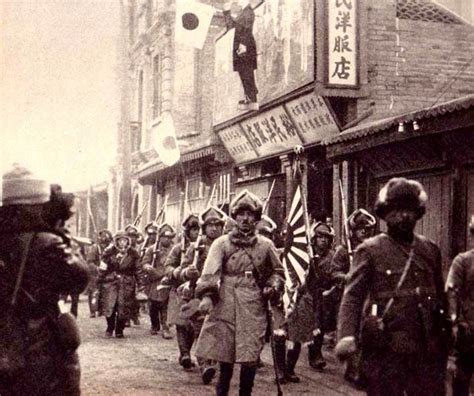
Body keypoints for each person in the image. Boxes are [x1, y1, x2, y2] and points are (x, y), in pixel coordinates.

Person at [335, 177, 450, 395]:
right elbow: (352, 297)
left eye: (409, 209)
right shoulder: (370, 250)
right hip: (386, 349)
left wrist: (447, 328)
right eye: (396, 210)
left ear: (418, 212)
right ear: (385, 213)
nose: (404, 215)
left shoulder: (429, 250)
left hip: (426, 348)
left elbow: (439, 294)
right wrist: (347, 336)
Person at [0, 164, 89, 395]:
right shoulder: (47, 242)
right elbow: (79, 278)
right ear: (39, 203)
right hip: (37, 344)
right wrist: (62, 234)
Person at [194, 190, 285, 396]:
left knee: (250, 356)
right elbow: (211, 272)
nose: (245, 218)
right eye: (241, 214)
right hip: (226, 303)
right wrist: (208, 296)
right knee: (225, 357)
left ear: (256, 218)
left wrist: (273, 285)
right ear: (234, 217)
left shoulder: (266, 245)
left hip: (253, 305)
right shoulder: (221, 243)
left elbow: (278, 272)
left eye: (250, 214)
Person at [178, 206, 226, 384]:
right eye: (210, 225)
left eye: (218, 225)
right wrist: (187, 272)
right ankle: (205, 364)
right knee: (201, 329)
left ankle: (216, 362)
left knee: (218, 331)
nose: (214, 228)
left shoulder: (227, 246)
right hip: (198, 293)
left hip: (221, 295)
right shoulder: (195, 248)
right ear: (204, 227)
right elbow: (182, 268)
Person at [331, 208, 376, 386]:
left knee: (368, 332)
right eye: (360, 229)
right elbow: (334, 272)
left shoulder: (373, 250)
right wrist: (347, 277)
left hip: (369, 299)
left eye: (367, 229)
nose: (364, 232)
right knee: (352, 331)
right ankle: (352, 367)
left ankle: (365, 368)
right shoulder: (343, 251)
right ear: (352, 230)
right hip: (350, 298)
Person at [285, 222, 335, 380]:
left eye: (326, 237)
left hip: (322, 296)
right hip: (303, 296)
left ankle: (315, 354)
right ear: (313, 239)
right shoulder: (304, 254)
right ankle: (287, 367)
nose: (323, 240)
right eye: (319, 237)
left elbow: (330, 276)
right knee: (297, 332)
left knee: (319, 325)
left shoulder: (331, 257)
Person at [164, 214, 200, 370]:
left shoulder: (207, 247)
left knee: (193, 325)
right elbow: (168, 266)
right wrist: (176, 272)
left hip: (197, 290)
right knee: (181, 324)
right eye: (193, 229)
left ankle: (187, 353)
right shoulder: (179, 248)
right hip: (179, 290)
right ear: (187, 231)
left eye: (199, 229)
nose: (197, 232)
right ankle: (184, 354)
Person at [446, 217, 474, 396]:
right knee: (461, 382)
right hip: (468, 332)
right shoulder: (462, 261)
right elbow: (452, 292)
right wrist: (455, 322)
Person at [99, 231, 144, 338]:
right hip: (111, 282)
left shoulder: (133, 253)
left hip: (127, 283)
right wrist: (99, 281)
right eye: (120, 240)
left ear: (128, 241)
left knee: (124, 307)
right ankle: (110, 328)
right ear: (116, 241)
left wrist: (141, 284)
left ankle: (119, 329)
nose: (122, 243)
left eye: (125, 240)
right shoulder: (109, 252)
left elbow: (138, 270)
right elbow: (103, 267)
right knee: (110, 305)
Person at [223, 0, 261, 111]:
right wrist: (226, 11)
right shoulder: (242, 12)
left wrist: (243, 44)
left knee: (246, 71)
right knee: (243, 72)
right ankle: (249, 95)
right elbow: (231, 26)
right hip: (240, 46)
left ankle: (252, 96)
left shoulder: (248, 11)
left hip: (245, 46)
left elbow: (247, 29)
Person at [141, 223, 175, 338]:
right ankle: (155, 325)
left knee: (165, 305)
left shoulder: (175, 249)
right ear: (160, 237)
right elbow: (145, 262)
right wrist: (147, 267)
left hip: (168, 279)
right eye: (165, 237)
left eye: (169, 237)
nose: (167, 239)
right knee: (154, 305)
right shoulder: (152, 249)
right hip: (154, 280)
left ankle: (166, 328)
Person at [86, 229, 113, 318]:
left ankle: (101, 310)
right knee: (94, 292)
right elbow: (89, 262)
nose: (104, 245)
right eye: (102, 242)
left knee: (105, 291)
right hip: (95, 274)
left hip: (106, 273)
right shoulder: (94, 248)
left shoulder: (111, 249)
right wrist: (97, 269)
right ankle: (93, 311)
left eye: (106, 243)